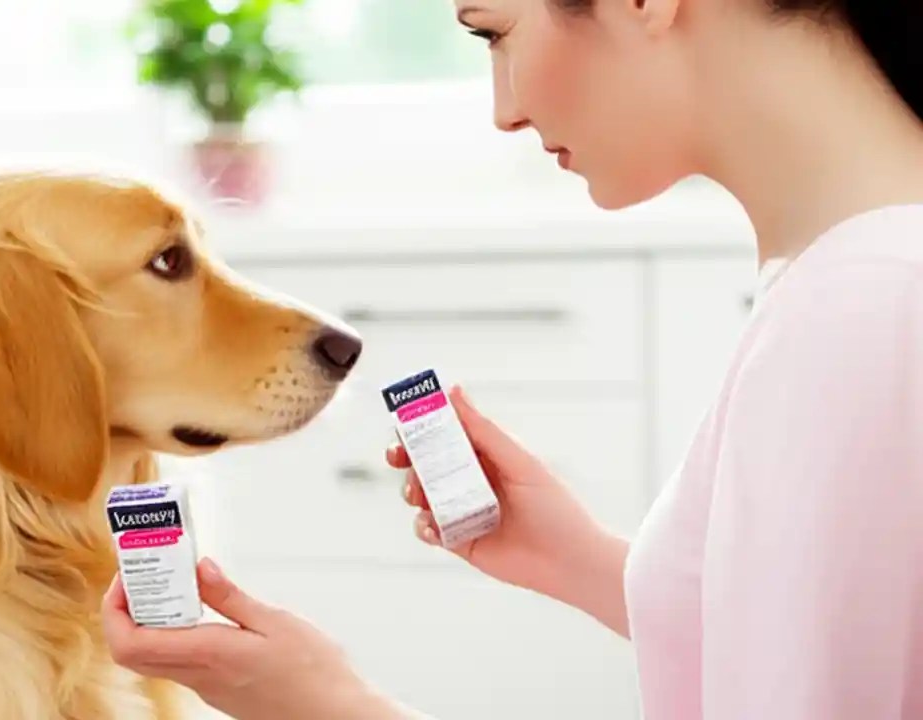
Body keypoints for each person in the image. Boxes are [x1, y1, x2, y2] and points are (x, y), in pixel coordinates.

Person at [101, 0, 923, 716]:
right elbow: (815, 635)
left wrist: (325, 705)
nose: (505, 111)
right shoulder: (860, 280)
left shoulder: (856, 316)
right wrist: (585, 563)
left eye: (492, 34)